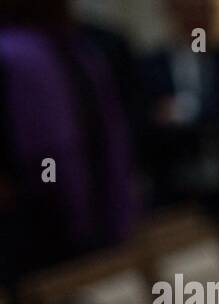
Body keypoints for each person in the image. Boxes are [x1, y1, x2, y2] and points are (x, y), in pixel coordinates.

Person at [0, 0, 138, 284]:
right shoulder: (76, 48)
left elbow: (58, 153)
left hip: (59, 234)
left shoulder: (42, 51)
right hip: (81, 230)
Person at [136, 0, 219, 209]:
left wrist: (188, 111)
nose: (199, 15)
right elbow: (145, 124)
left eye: (204, 8)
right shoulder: (151, 67)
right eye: (190, 8)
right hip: (175, 191)